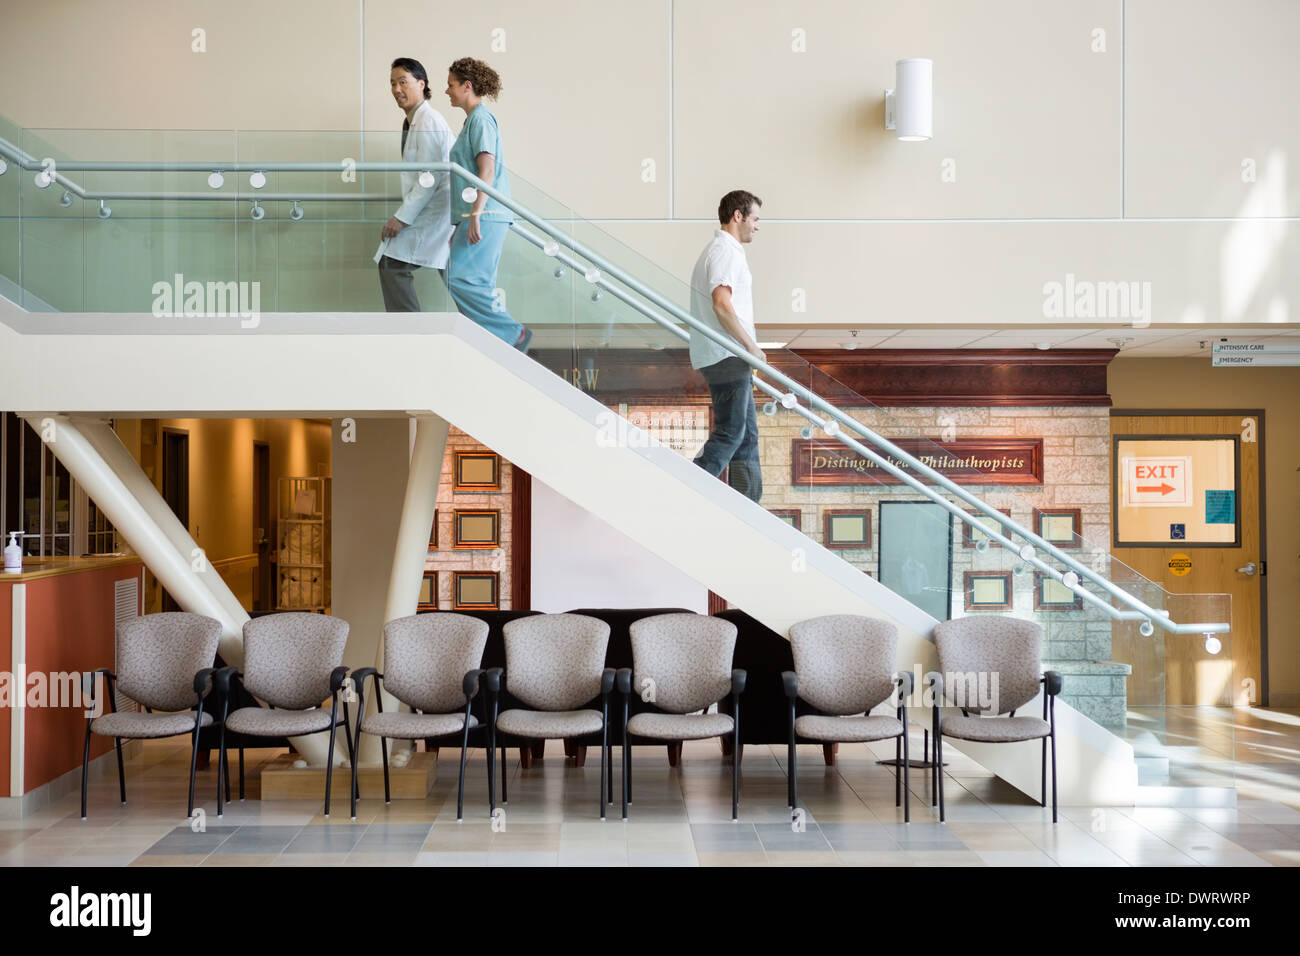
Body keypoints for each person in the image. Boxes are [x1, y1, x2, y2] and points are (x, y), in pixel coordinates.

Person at [444, 57, 531, 351]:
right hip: (482, 213)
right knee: (474, 282)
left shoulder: (481, 119)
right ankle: (492, 342)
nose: (447, 92)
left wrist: (475, 214)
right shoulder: (474, 120)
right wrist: (463, 220)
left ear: (467, 87)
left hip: (487, 213)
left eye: (451, 85)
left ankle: (511, 334)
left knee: (458, 279)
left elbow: (487, 170)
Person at [689, 190, 765, 503]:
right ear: (738, 215)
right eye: (755, 219)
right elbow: (721, 304)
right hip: (727, 354)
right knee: (733, 431)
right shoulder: (724, 251)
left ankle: (747, 505)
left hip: (728, 355)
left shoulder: (726, 251)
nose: (757, 226)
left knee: (746, 435)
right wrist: (752, 348)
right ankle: (688, 486)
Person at [374, 57, 455, 312]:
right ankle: (498, 332)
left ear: (421, 84)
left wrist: (401, 218)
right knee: (454, 275)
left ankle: (410, 330)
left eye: (403, 82)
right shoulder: (413, 121)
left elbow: (429, 177)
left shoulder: (428, 120)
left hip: (437, 207)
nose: (397, 89)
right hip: (435, 209)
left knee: (392, 263)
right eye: (392, 84)